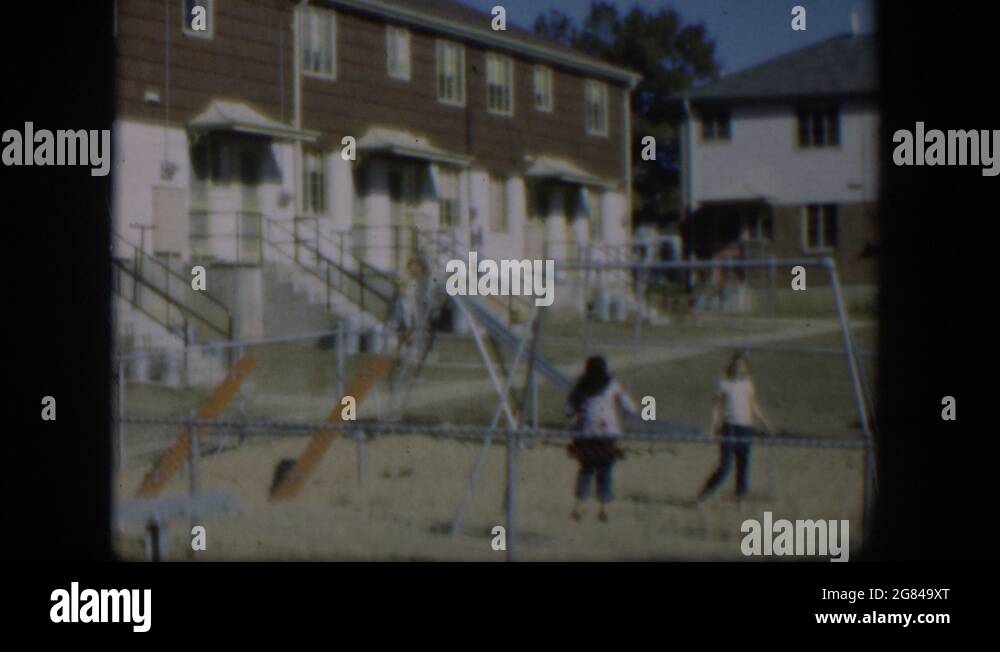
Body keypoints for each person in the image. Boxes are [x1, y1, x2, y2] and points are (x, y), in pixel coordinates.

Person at [565, 356, 638, 522]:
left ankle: (579, 506)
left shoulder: (580, 386)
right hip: (607, 434)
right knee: (605, 470)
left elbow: (568, 409)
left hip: (585, 434)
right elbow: (630, 407)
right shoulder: (612, 385)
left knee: (586, 469)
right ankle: (604, 509)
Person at [695, 351, 775, 503]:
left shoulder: (748, 385)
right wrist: (713, 427)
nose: (738, 368)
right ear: (731, 367)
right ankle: (704, 495)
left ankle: (741, 498)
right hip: (729, 427)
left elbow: (753, 406)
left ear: (746, 368)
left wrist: (765, 423)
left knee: (743, 464)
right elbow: (717, 407)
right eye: (736, 366)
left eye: (741, 366)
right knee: (725, 466)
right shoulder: (723, 384)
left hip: (745, 427)